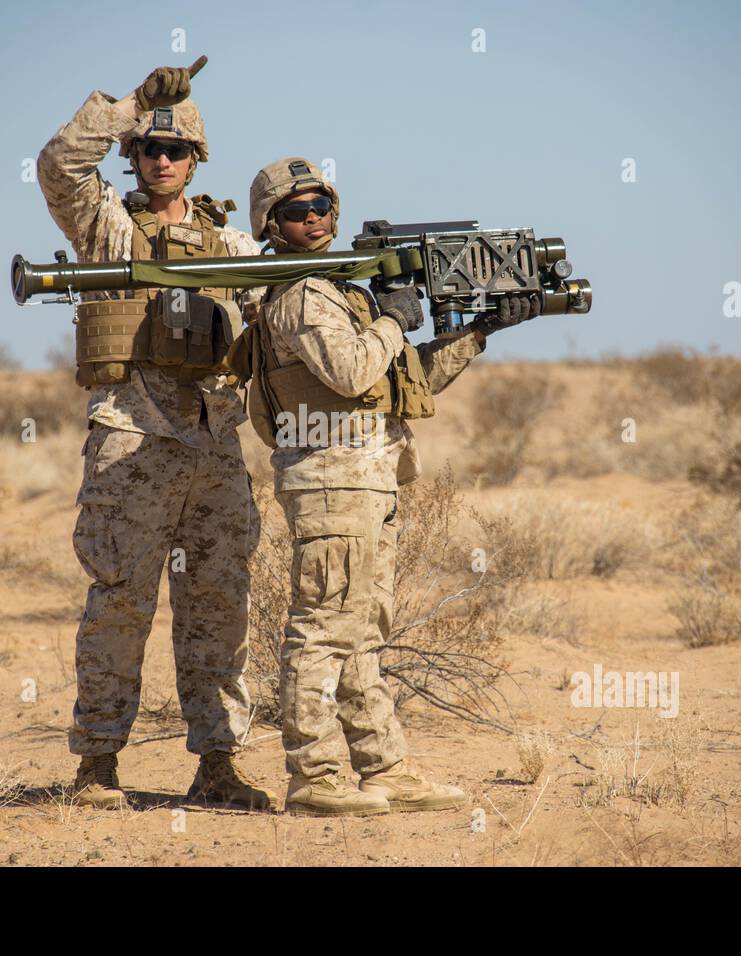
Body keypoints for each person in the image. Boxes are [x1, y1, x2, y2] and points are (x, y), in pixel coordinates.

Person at [239, 157, 543, 816]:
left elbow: (404, 384)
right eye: (296, 211)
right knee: (323, 631)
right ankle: (314, 775)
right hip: (330, 482)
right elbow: (351, 372)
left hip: (370, 480)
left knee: (363, 634)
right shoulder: (302, 295)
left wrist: (479, 332)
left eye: (321, 205)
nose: (313, 218)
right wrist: (394, 320)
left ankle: (384, 768)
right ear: (271, 224)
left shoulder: (345, 292)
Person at [35, 60, 270, 811]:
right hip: (131, 445)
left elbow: (275, 318)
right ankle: (97, 765)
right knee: (119, 604)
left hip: (216, 448)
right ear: (130, 157)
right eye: (147, 149)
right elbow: (58, 164)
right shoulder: (105, 227)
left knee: (219, 608)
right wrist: (134, 103)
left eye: (176, 151)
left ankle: (219, 766)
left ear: (198, 161)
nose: (161, 161)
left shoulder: (232, 248)